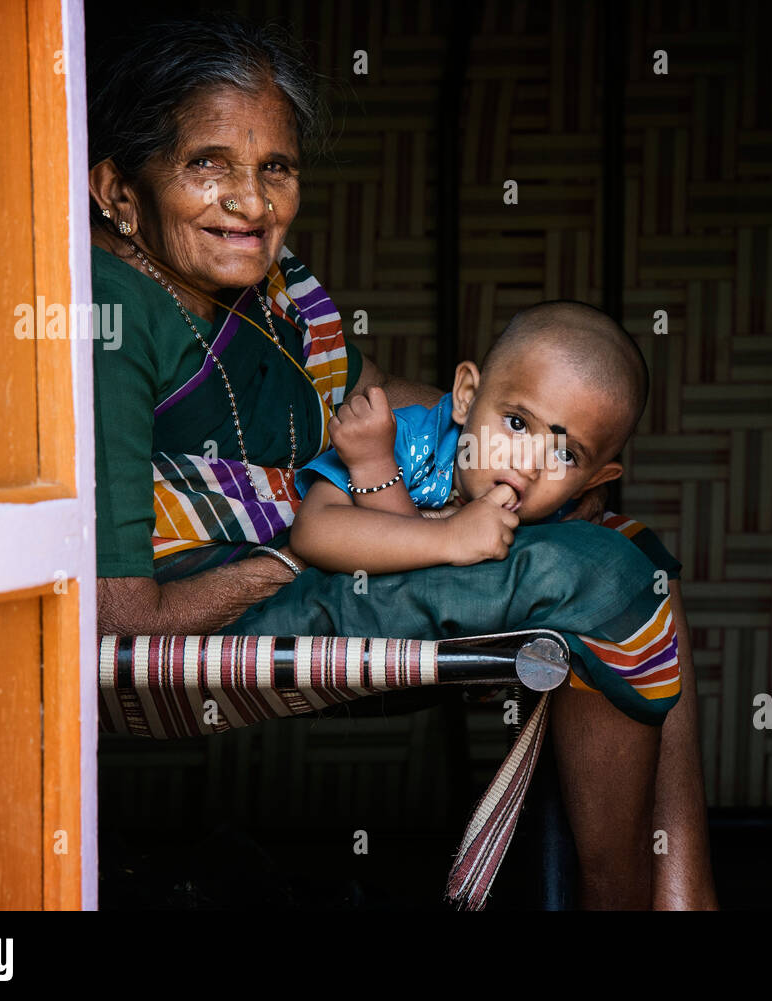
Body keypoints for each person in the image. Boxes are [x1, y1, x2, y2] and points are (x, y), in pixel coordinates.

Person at [88, 15, 716, 909]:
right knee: (611, 576)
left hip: (330, 543)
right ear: (119, 189)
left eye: (276, 168)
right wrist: (312, 548)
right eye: (207, 164)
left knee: (626, 544)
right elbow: (123, 619)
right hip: (226, 598)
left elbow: (359, 395)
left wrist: (507, 437)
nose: (252, 201)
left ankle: (685, 891)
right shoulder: (112, 316)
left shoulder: (258, 295)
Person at [289, 300, 648, 573]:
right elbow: (313, 531)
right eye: (518, 424)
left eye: (565, 455)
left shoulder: (572, 513)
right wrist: (448, 536)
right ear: (466, 395)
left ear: (594, 479)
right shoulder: (398, 438)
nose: (528, 465)